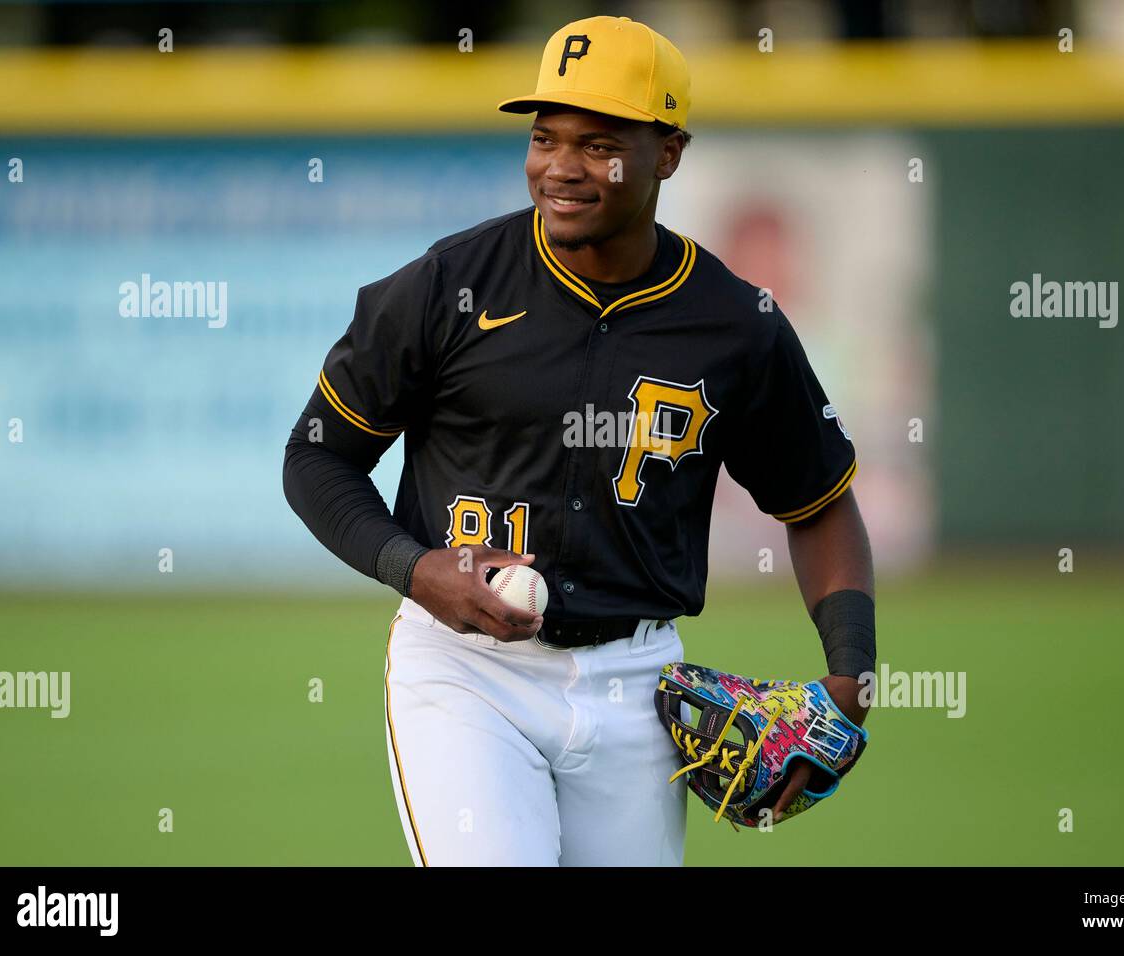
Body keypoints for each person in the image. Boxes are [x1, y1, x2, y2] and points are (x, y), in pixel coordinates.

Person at [283, 14, 875, 867]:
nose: (560, 166)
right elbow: (315, 455)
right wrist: (413, 569)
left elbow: (818, 503)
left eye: (599, 143)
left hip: (642, 691)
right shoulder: (447, 287)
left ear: (668, 151)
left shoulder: (735, 327)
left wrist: (850, 677)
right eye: (545, 137)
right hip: (466, 672)